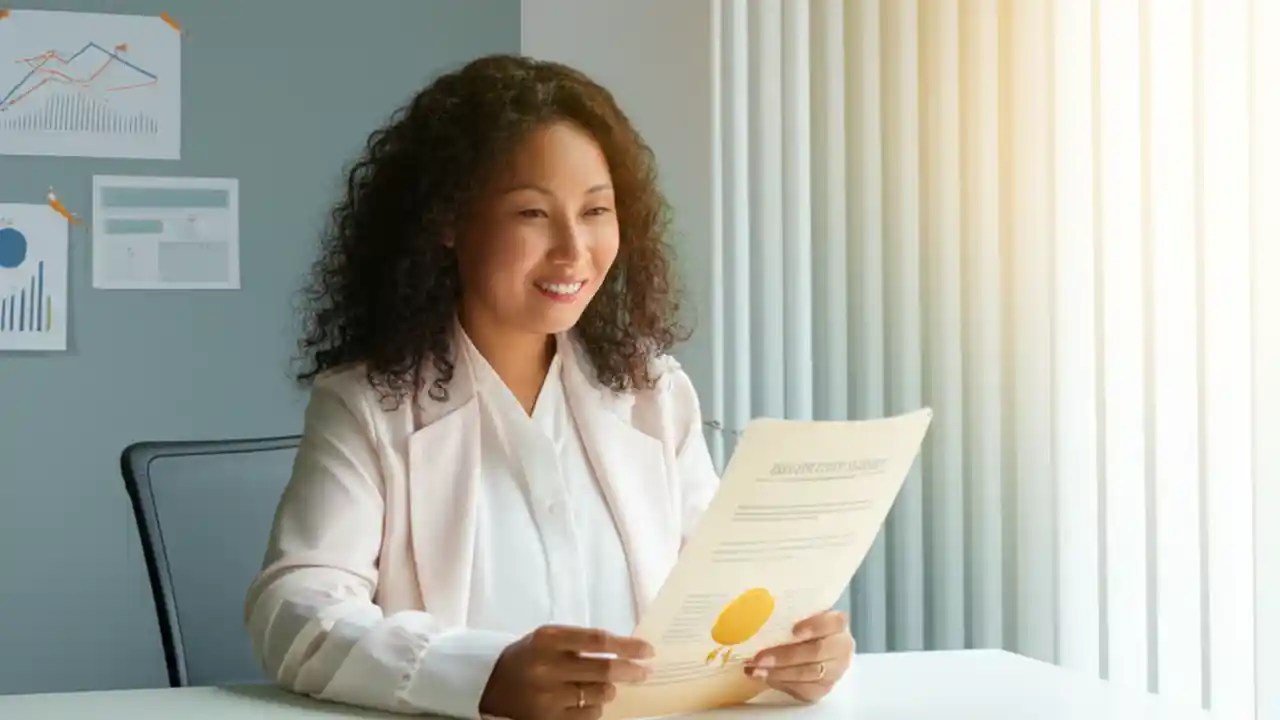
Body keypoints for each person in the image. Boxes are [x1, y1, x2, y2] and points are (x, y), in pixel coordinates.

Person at [244, 54, 855, 720]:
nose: (572, 250)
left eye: (596, 210)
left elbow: (724, 598)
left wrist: (795, 647)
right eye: (532, 213)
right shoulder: (367, 405)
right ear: (447, 222)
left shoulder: (653, 393)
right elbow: (297, 612)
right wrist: (484, 675)